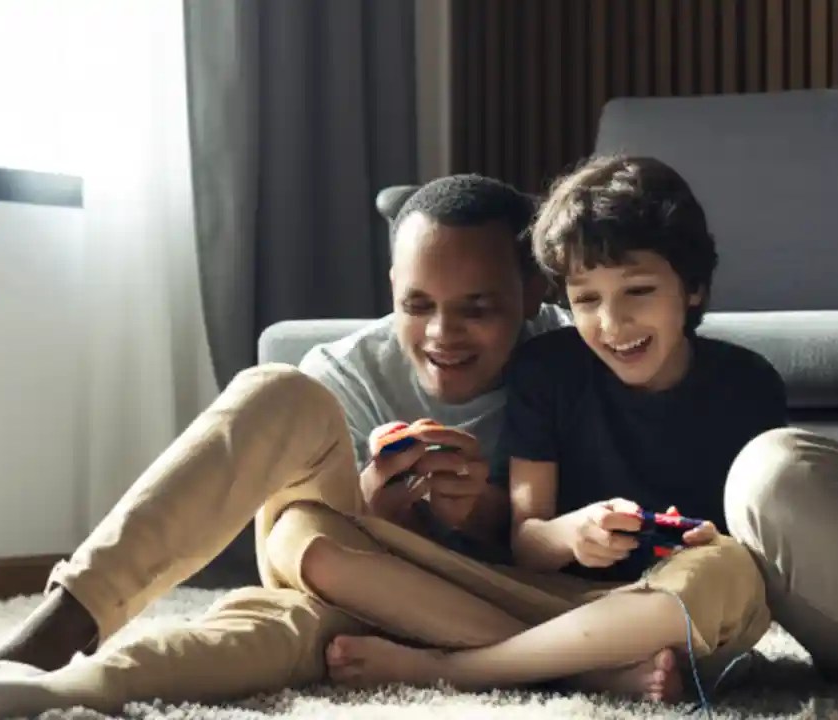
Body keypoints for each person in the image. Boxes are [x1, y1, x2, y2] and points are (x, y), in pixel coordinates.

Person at [0, 175, 615, 720]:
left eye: (477, 307)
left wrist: (481, 513)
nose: (442, 333)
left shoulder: (573, 357)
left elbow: (589, 536)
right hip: (347, 577)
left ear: (531, 294)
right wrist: (375, 505)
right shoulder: (347, 370)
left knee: (272, 632)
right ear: (392, 292)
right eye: (417, 305)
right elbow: (308, 540)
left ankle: (88, 686)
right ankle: (61, 639)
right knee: (282, 405)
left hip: (481, 606)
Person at [296, 155, 779, 702]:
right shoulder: (550, 370)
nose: (612, 325)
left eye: (638, 292)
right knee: (315, 548)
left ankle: (456, 670)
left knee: (726, 569)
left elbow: (763, 556)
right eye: (587, 299)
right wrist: (576, 532)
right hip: (558, 599)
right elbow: (527, 541)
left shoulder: (748, 383)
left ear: (691, 288)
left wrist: (708, 543)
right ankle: (586, 668)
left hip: (676, 603)